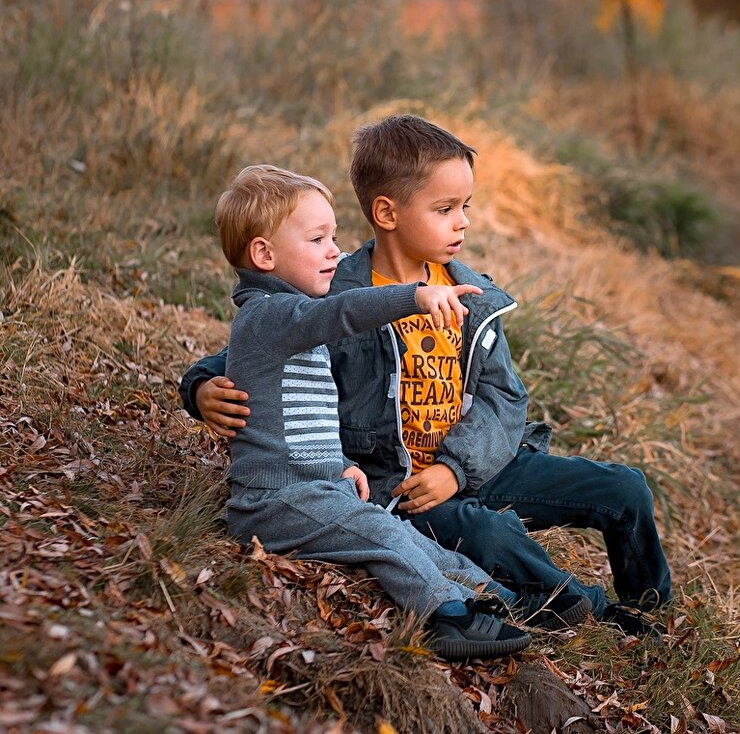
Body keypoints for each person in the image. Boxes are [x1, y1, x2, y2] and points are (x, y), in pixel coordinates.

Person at [181, 116, 671, 636]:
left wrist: (457, 471)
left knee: (624, 489)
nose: (462, 223)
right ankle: (592, 612)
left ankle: (652, 604)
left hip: (475, 464)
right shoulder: (332, 290)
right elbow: (255, 346)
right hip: (403, 487)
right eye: (444, 209)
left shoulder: (471, 296)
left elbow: (504, 397)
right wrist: (201, 388)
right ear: (387, 212)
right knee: (491, 535)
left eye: (465, 208)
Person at [209, 163, 586, 661]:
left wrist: (336, 465)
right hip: (272, 500)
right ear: (264, 254)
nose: (335, 253)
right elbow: (341, 312)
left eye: (334, 238)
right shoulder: (270, 315)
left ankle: (501, 601)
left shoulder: (294, 323)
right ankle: (445, 618)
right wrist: (413, 296)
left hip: (315, 486)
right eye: (318, 239)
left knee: (419, 543)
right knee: (384, 534)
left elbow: (293, 420)